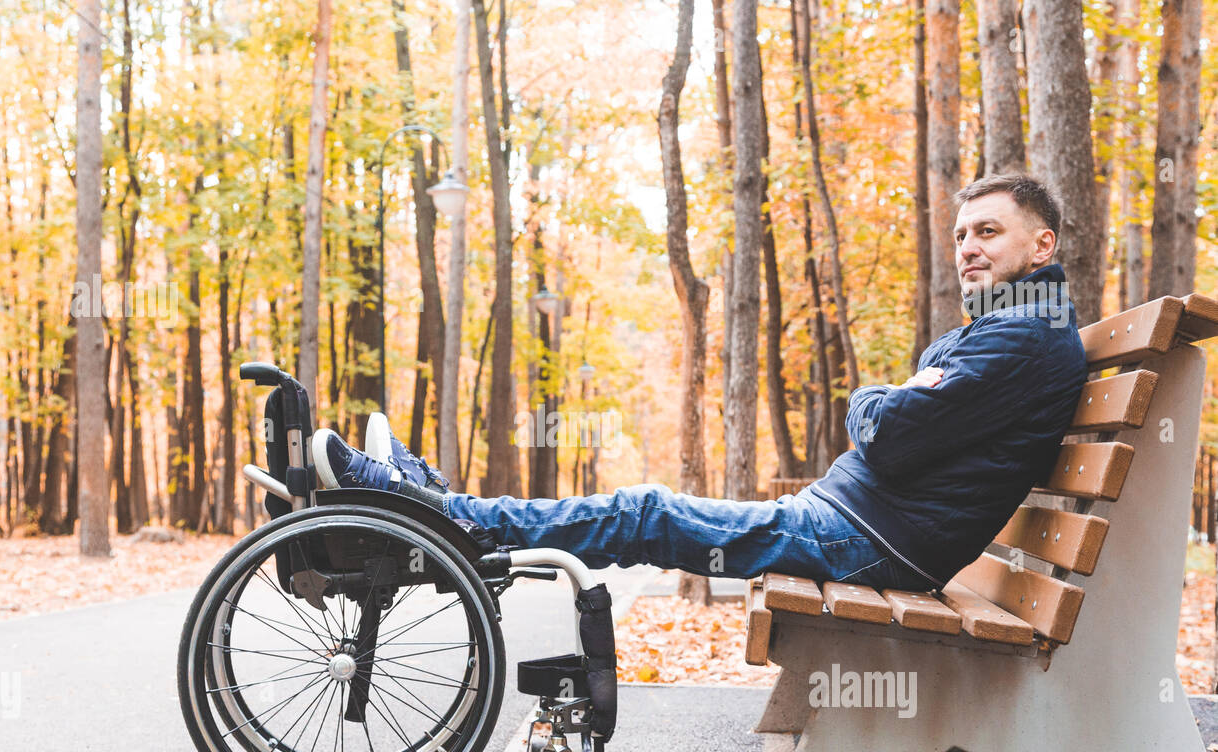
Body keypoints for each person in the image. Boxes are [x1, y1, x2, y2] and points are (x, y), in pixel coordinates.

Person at [310, 173, 1088, 593]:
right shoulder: (1009, 329)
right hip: (853, 525)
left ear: (1041, 243)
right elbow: (904, 422)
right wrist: (905, 393)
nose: (967, 249)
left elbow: (884, 434)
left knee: (646, 511)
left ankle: (446, 514)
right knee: (645, 510)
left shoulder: (1023, 337)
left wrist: (878, 399)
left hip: (868, 544)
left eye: (989, 232)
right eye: (960, 235)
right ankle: (449, 507)